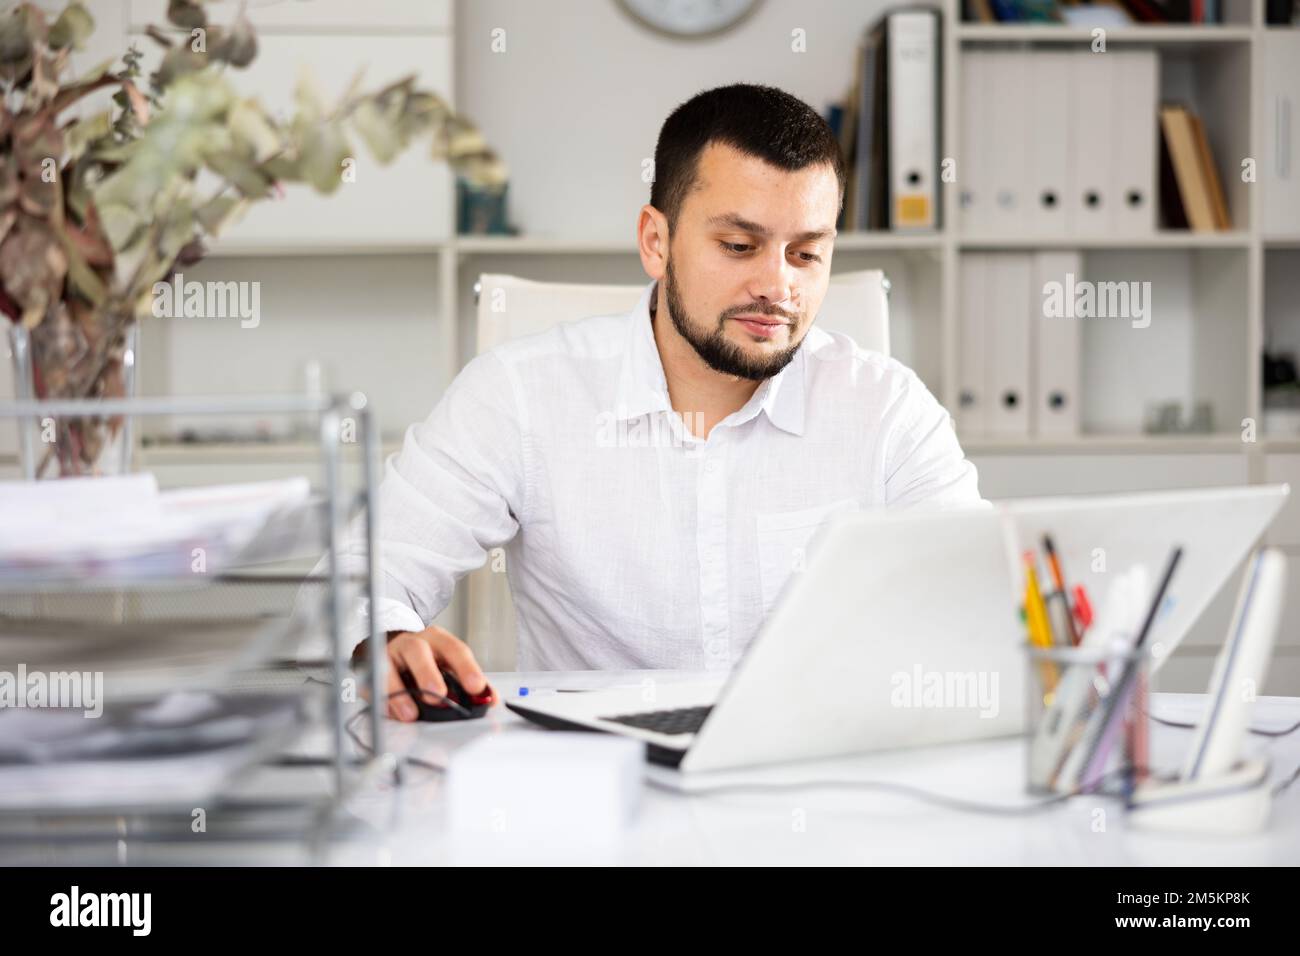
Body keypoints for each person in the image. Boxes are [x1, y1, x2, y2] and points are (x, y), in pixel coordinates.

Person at [332, 83, 983, 721]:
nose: (777, 285)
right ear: (656, 241)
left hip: (814, 782)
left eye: (806, 253)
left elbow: (975, 605)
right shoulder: (521, 395)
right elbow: (352, 583)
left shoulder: (889, 410)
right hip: (591, 790)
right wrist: (386, 642)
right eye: (738, 246)